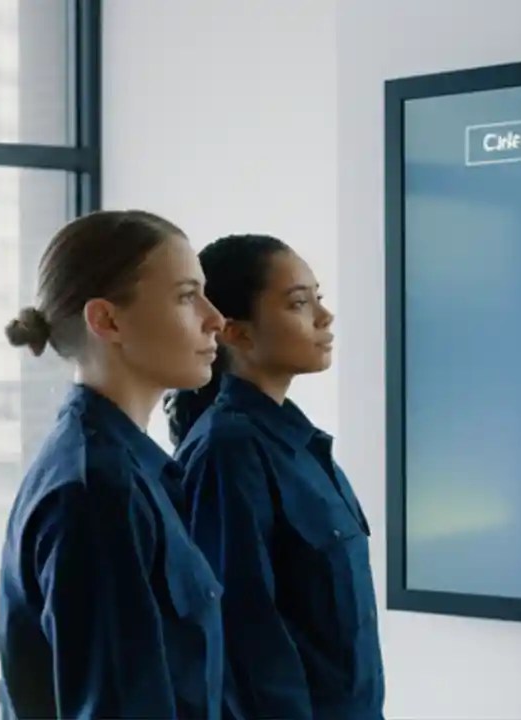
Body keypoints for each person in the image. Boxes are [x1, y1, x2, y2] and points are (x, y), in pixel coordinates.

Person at [0, 210, 227, 719]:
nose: (215, 319)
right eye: (186, 296)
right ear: (106, 320)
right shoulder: (99, 488)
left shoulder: (127, 470)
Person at [166, 234, 385, 720]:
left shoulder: (301, 444)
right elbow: (242, 635)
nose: (324, 317)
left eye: (318, 298)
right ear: (236, 332)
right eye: (299, 303)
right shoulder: (229, 450)